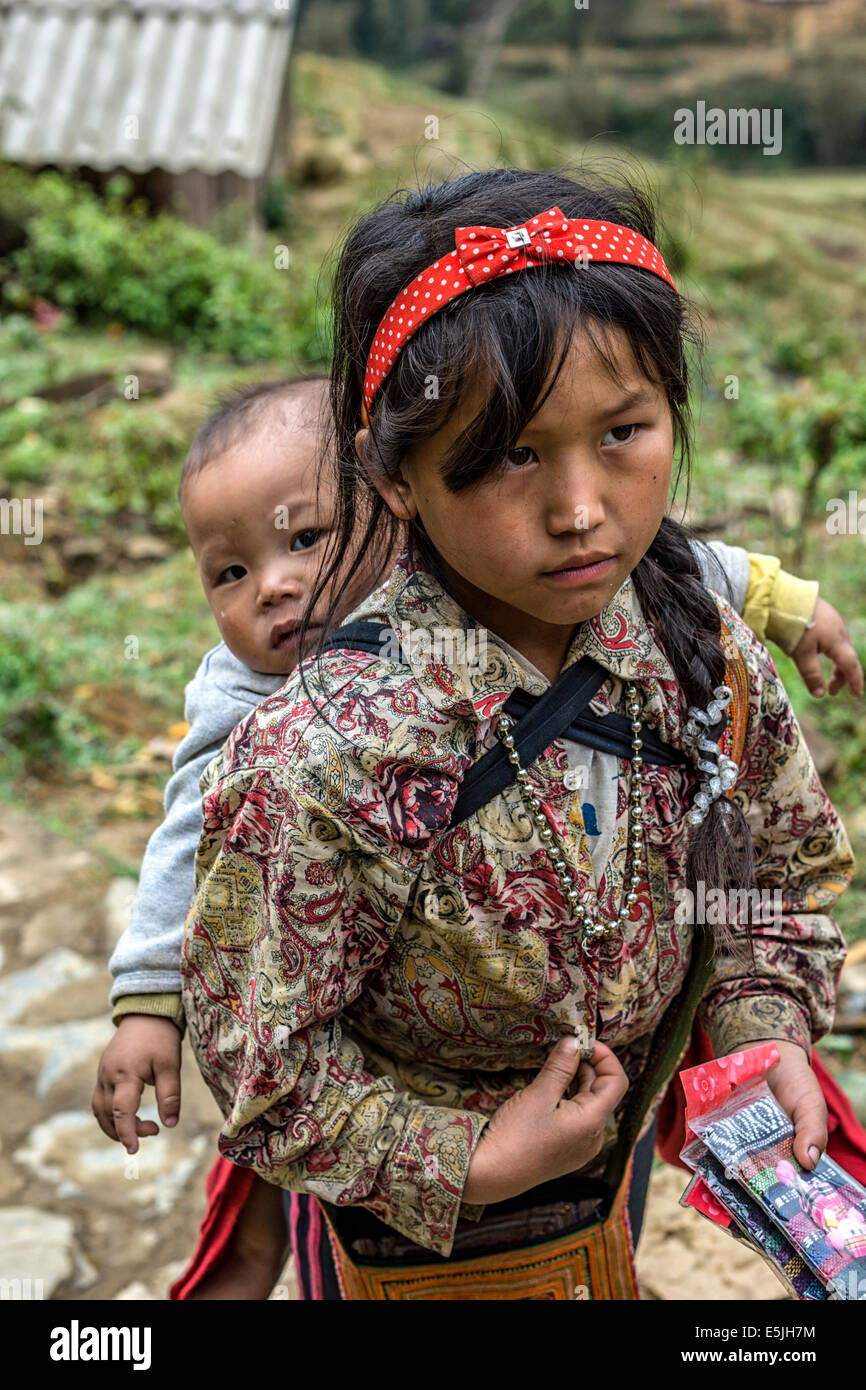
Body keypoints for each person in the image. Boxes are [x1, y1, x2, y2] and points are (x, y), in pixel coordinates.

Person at [98, 169, 863, 1296]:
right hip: (408, 1240)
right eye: (509, 455)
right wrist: (471, 1157)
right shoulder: (320, 756)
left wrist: (758, 1030)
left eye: (623, 432)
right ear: (394, 477)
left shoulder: (699, 648)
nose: (579, 510)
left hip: (609, 1168)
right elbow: (266, 1068)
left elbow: (777, 876)